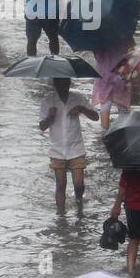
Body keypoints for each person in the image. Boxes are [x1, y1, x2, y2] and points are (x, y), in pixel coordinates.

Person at [38, 76, 98, 213]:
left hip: (76, 148)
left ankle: (79, 201)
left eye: (66, 82)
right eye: (60, 82)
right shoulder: (48, 101)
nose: (63, 85)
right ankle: (61, 216)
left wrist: (81, 109)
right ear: (55, 83)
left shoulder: (78, 98)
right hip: (57, 149)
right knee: (60, 184)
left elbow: (95, 117)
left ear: (69, 82)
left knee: (79, 183)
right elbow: (42, 127)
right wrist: (50, 117)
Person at [109, 166, 140, 276]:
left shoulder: (131, 160)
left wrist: (117, 205)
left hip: (132, 205)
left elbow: (123, 184)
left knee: (133, 240)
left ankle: (130, 272)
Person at [91, 35, 133, 130]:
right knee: (123, 106)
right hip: (121, 73)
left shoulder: (99, 36)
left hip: (104, 74)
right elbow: (132, 51)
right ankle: (125, 131)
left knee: (105, 105)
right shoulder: (125, 34)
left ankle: (104, 133)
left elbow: (96, 54)